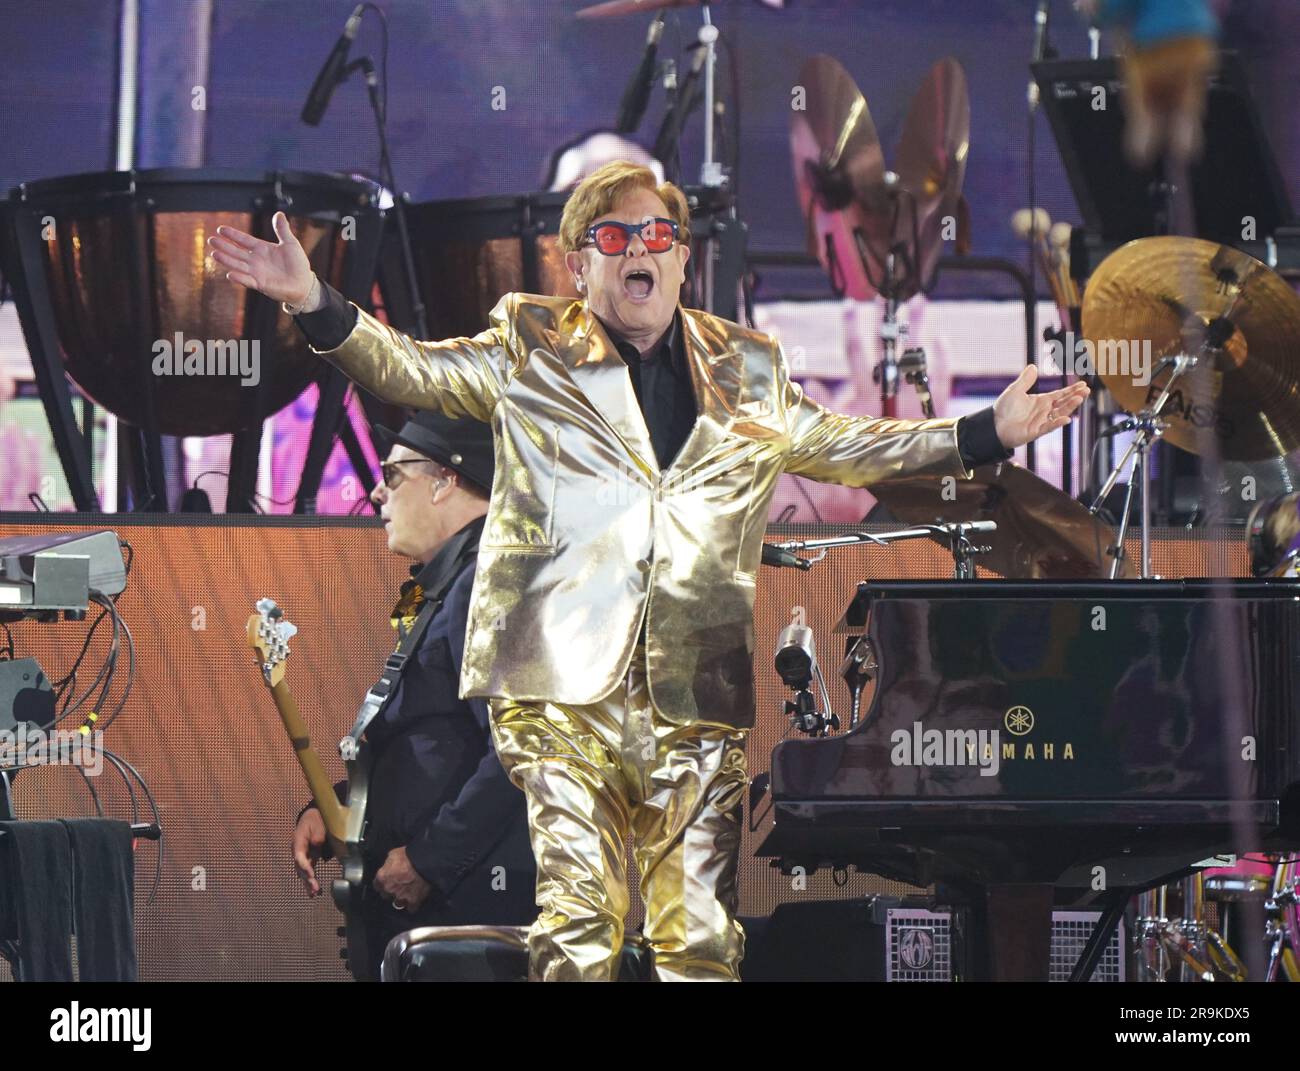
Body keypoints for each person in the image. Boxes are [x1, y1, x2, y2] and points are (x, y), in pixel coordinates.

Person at [212, 160, 1088, 981]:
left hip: (694, 695)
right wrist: (315, 301)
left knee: (700, 936)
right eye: (618, 238)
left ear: (682, 260)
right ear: (577, 261)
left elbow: (847, 446)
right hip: (561, 695)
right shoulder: (531, 344)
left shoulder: (748, 368)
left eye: (659, 237)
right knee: (580, 923)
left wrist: (985, 434)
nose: (642, 252)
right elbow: (410, 368)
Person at [291, 412, 536, 981]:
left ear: (446, 480)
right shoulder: (447, 587)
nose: (377, 490)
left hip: (470, 909)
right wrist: (336, 809)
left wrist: (430, 859)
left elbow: (521, 752)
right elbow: (430, 741)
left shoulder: (488, 584)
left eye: (393, 475)